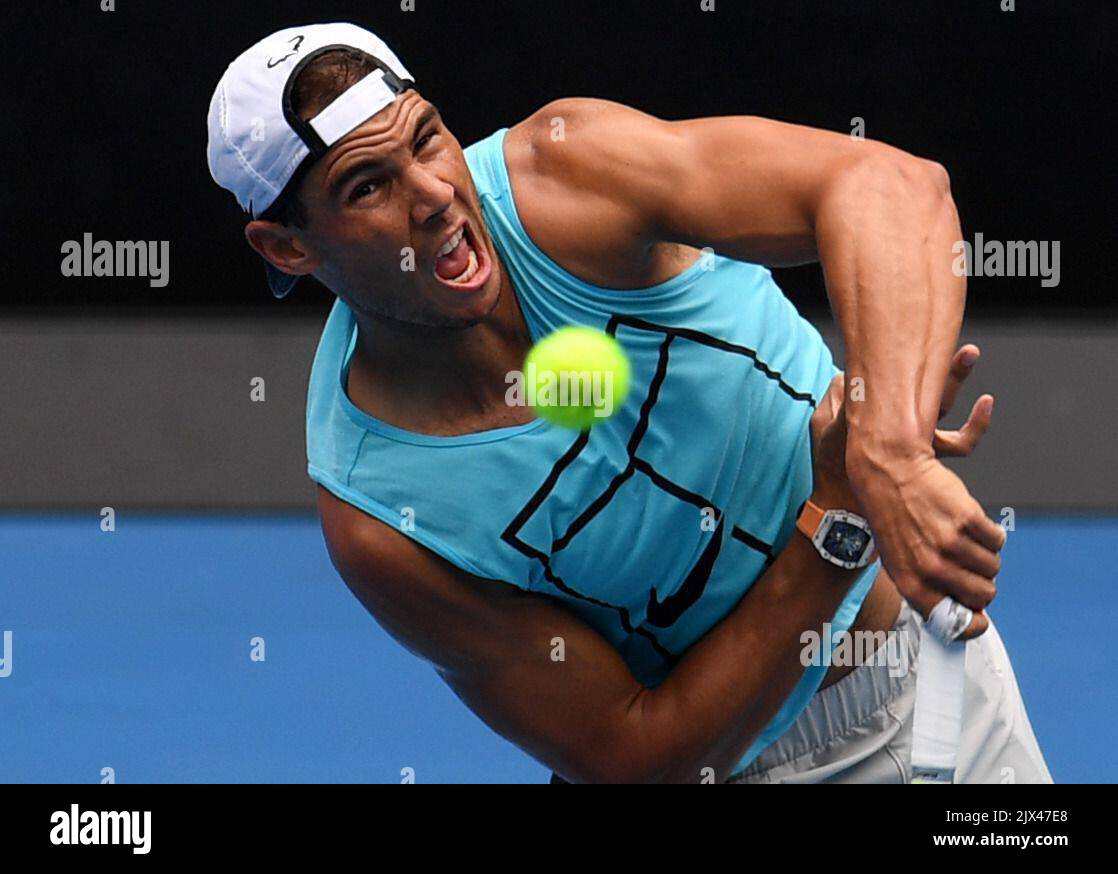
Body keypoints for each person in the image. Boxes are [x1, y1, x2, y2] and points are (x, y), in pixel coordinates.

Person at [206, 22, 1051, 782]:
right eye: (367, 188)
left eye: (428, 138)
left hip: (943, 688)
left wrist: (888, 450)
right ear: (288, 245)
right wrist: (838, 515)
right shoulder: (380, 517)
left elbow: (892, 186)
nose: (431, 194)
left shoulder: (566, 173)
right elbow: (633, 759)